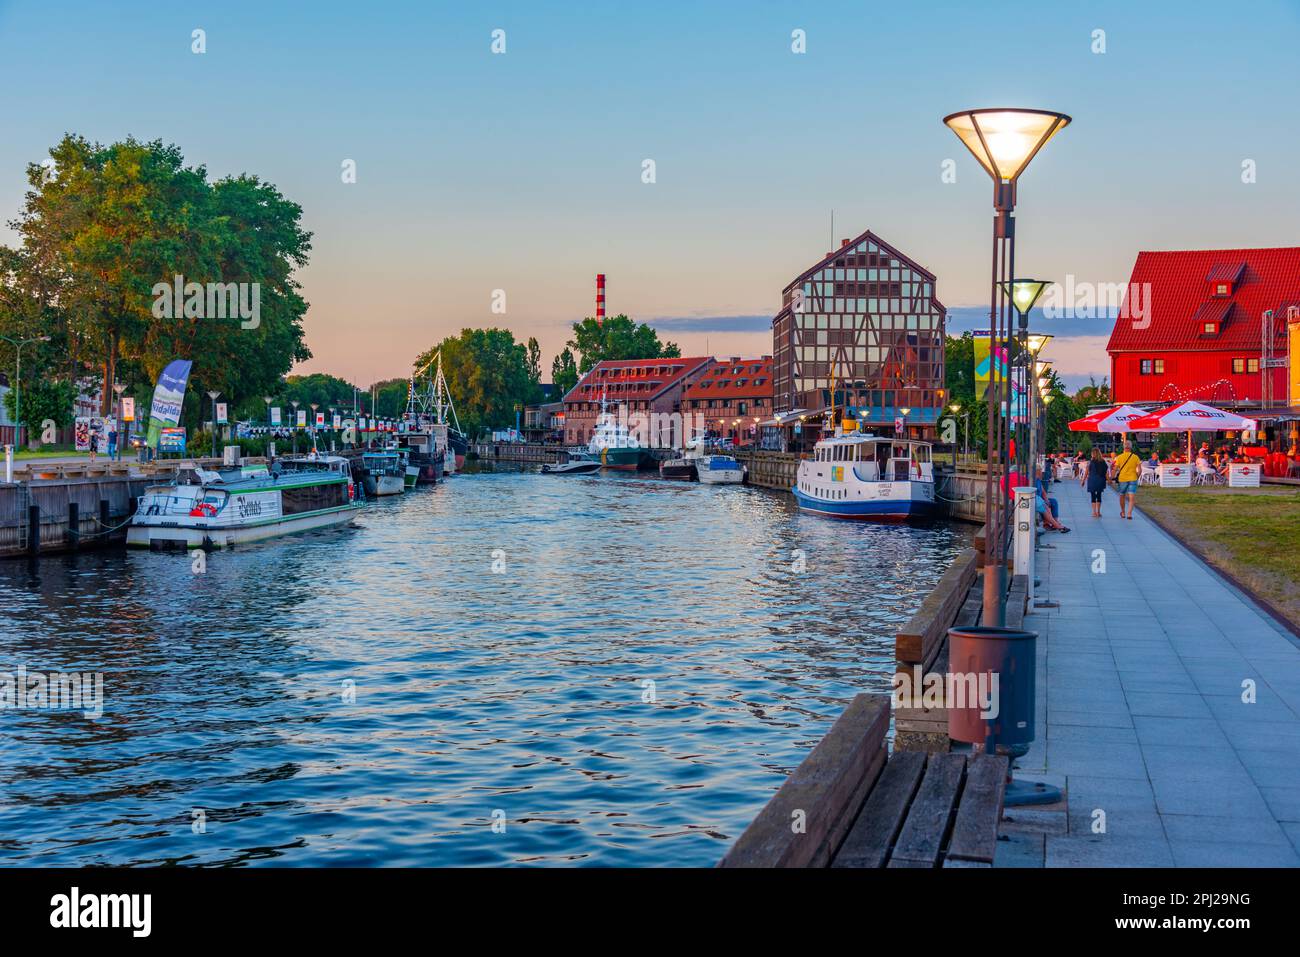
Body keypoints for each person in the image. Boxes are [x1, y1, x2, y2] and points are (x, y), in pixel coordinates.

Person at [1111, 440, 1142, 520]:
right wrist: (1137, 477)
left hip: (1122, 479)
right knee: (1132, 497)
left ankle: (1123, 512)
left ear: (1124, 447)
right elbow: (1140, 469)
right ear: (1131, 447)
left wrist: (1112, 478)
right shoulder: (1135, 457)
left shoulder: (1119, 457)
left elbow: (1115, 469)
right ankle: (1129, 514)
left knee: (1122, 496)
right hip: (1133, 478)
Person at [1086, 447, 1108, 518]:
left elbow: (1087, 472)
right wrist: (1109, 479)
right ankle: (1098, 512)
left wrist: (1083, 480)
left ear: (1093, 454)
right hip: (1100, 480)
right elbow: (1106, 472)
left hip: (1092, 480)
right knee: (1099, 495)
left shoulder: (1090, 462)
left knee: (1093, 496)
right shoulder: (1103, 462)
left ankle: (1094, 512)